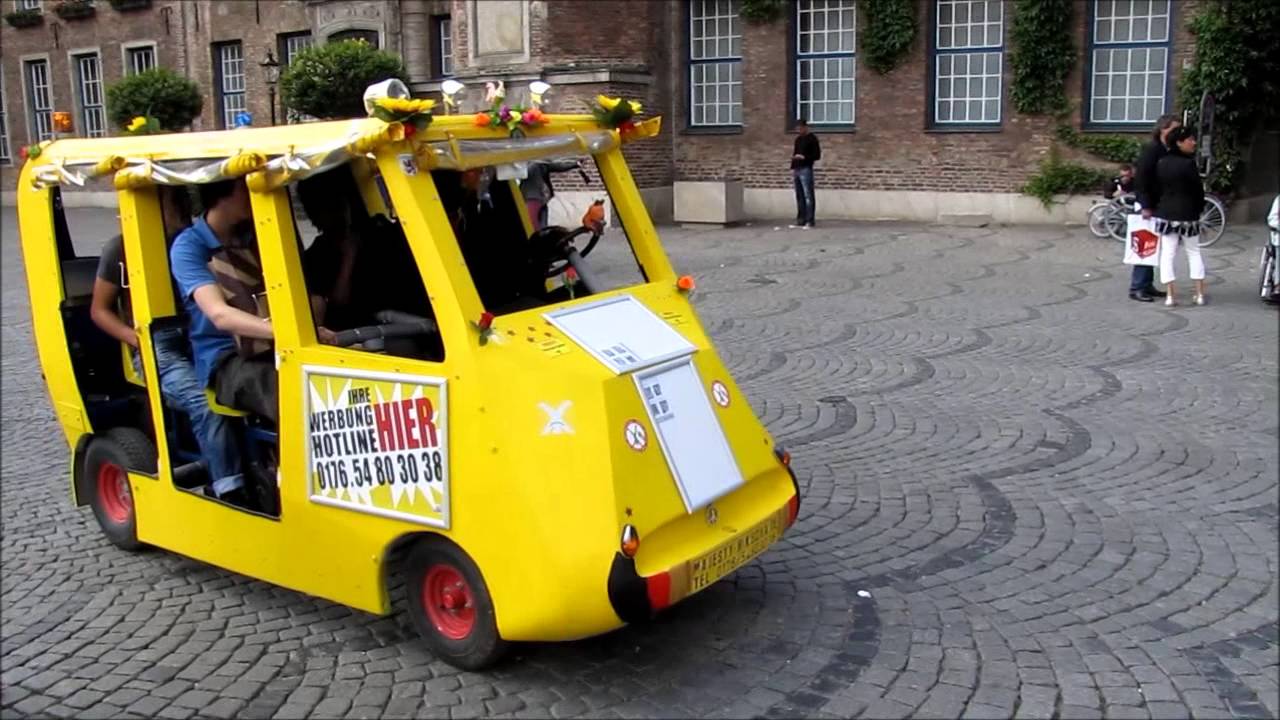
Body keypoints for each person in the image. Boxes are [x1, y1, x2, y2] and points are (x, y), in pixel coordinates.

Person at [90, 186, 242, 500]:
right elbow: (99, 310)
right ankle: (228, 487)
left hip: (200, 334)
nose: (183, 209)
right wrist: (136, 340)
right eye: (174, 202)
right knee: (205, 403)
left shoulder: (196, 240)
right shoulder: (120, 249)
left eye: (183, 200)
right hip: (158, 343)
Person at [170, 179, 337, 434]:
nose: (254, 195)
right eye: (245, 189)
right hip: (227, 358)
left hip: (280, 345)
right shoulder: (189, 246)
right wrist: (287, 332)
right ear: (221, 193)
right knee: (293, 391)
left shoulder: (256, 234)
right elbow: (220, 315)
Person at [1130, 114, 1181, 302]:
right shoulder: (1152, 150)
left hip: (1162, 203)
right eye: (1174, 129)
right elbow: (1142, 178)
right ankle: (1138, 286)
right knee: (1144, 242)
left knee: (1154, 244)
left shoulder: (1170, 150)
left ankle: (1147, 284)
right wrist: (1145, 204)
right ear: (1163, 129)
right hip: (1148, 203)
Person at [1155, 127, 1208, 307]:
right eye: (1190, 140)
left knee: (1167, 254)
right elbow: (1197, 190)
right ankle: (1199, 293)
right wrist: (1199, 208)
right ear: (1179, 142)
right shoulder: (1188, 164)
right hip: (1188, 213)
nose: (1193, 143)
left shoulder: (1162, 162)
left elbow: (1158, 188)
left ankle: (1170, 295)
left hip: (1167, 213)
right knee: (1193, 251)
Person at [520, 159, 582, 230]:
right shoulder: (538, 164)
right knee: (541, 221)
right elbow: (558, 166)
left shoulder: (531, 165)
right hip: (542, 197)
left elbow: (558, 166)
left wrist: (575, 164)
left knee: (534, 222)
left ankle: (539, 234)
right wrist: (575, 164)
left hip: (533, 197)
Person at [790, 119, 821, 229]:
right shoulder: (798, 139)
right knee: (799, 195)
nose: (798, 131)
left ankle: (810, 220)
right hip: (797, 168)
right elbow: (795, 152)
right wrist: (793, 164)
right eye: (797, 129)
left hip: (806, 168)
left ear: (805, 127)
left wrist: (805, 157)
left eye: (800, 128)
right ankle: (801, 219)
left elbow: (817, 155)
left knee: (808, 195)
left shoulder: (812, 139)